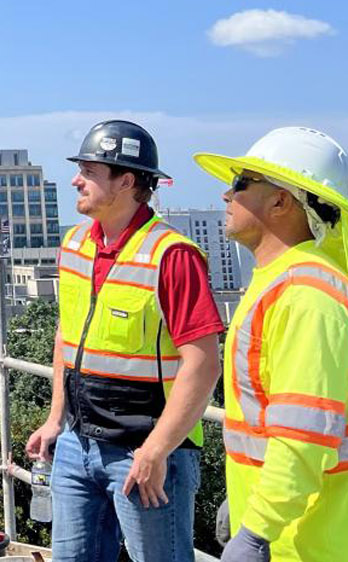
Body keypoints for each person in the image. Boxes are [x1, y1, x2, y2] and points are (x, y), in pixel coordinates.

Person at [24, 119, 222, 562]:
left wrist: (155, 451)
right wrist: (57, 418)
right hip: (77, 444)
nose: (76, 179)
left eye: (89, 171)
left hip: (146, 454)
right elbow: (67, 335)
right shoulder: (74, 245)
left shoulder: (172, 256)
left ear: (127, 181)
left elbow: (204, 364)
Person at [196, 127, 348, 562]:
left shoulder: (307, 297)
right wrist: (248, 508)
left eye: (241, 183)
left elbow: (303, 436)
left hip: (309, 543)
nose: (226, 194)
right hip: (294, 532)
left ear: (281, 202)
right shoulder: (284, 284)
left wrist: (257, 529)